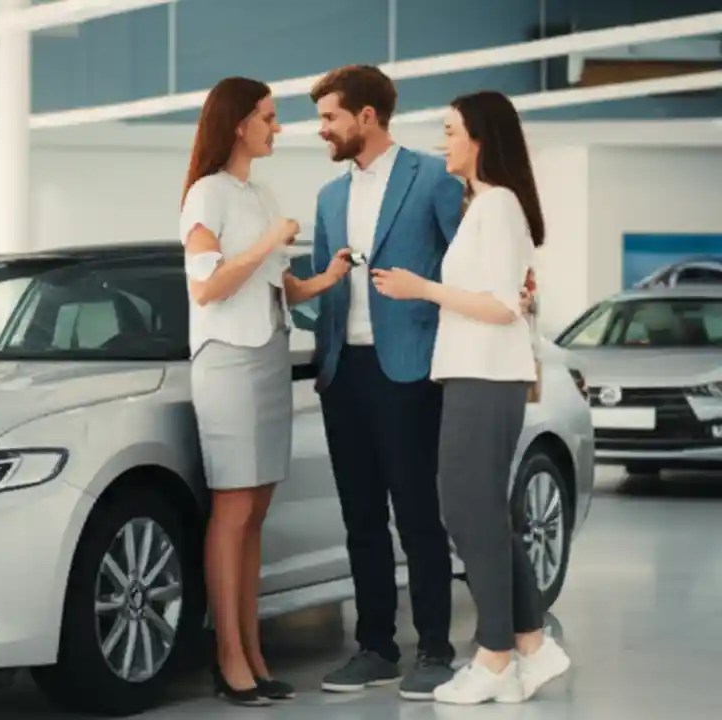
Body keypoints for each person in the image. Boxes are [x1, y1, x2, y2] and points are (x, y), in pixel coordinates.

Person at [372, 90, 572, 705]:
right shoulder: (482, 206)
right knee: (478, 510)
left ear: (481, 137)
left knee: (466, 510)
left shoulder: (499, 207)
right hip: (473, 373)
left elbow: (501, 305)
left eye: (452, 129)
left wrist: (421, 289)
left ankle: (495, 655)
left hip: (488, 375)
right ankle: (531, 645)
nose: (444, 140)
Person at [179, 75, 352, 707]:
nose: (277, 127)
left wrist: (328, 275)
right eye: (269, 117)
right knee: (232, 512)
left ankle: (252, 650)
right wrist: (268, 242)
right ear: (237, 124)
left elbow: (282, 288)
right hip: (228, 363)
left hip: (269, 357)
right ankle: (228, 659)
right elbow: (209, 286)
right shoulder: (206, 194)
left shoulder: (258, 192)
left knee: (254, 513)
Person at [307, 64, 465, 701]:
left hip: (410, 368)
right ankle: (375, 645)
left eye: (330, 118)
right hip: (345, 372)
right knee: (361, 515)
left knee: (418, 514)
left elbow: (462, 266)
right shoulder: (328, 196)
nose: (322, 130)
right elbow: (323, 285)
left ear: (365, 117)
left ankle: (435, 647)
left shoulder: (432, 177)